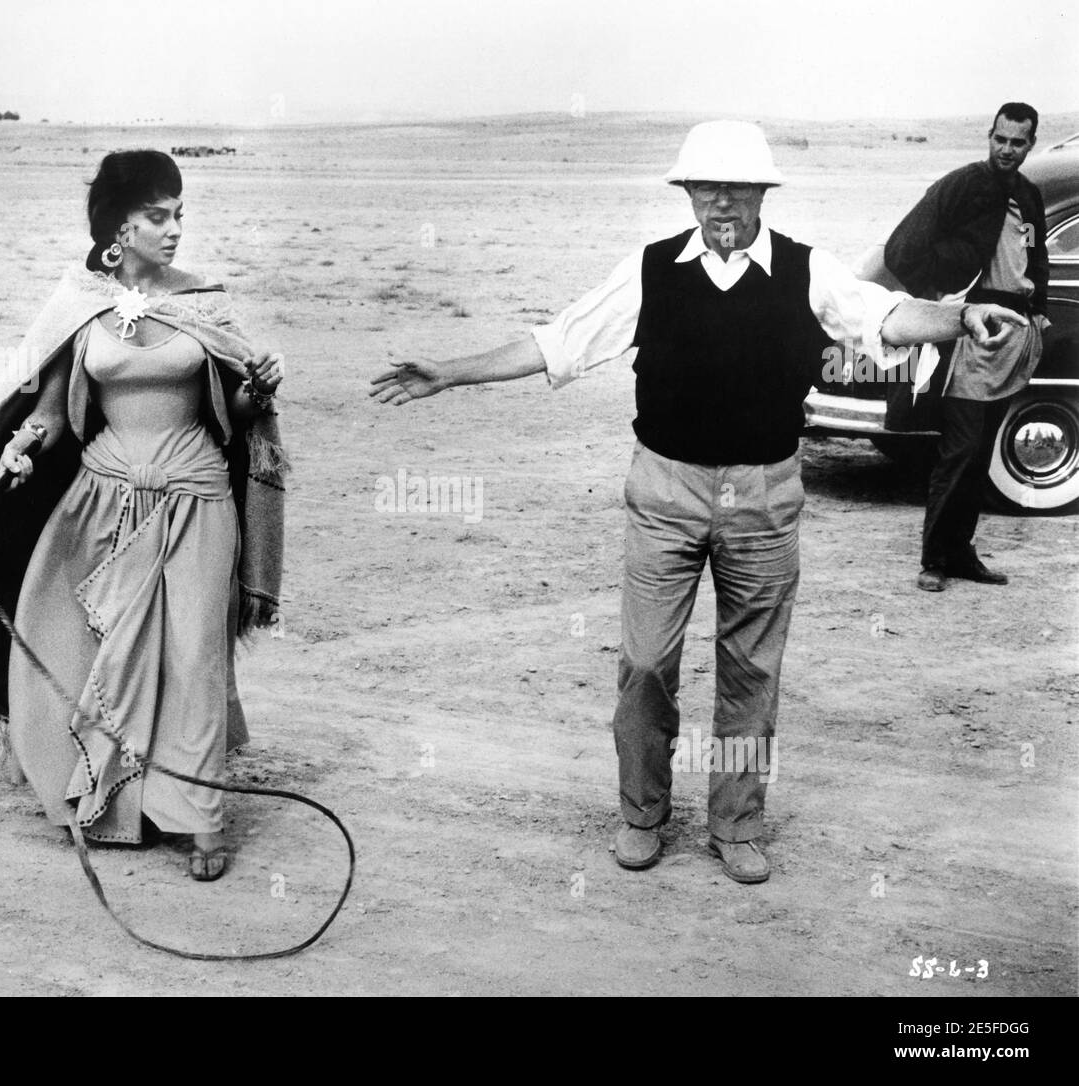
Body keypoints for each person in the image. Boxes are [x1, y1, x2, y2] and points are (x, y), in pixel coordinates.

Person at [370, 121, 1024, 884]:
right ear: (686, 193)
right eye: (705, 186)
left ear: (761, 194)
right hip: (665, 492)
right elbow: (561, 343)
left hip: (765, 496)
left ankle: (737, 823)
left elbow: (884, 317)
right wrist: (450, 371)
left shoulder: (805, 271)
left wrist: (958, 318)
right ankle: (641, 813)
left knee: (751, 671)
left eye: (736, 187)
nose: (721, 201)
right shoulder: (651, 271)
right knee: (646, 663)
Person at [0, 150, 287, 883]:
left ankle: (199, 822)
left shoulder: (208, 303)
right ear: (119, 226)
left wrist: (256, 395)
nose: (173, 230)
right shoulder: (81, 304)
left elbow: (233, 418)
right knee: (97, 650)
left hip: (197, 498)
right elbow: (49, 412)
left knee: (194, 655)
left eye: (179, 214)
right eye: (158, 216)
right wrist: (21, 450)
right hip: (102, 500)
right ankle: (113, 806)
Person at [883, 103, 1049, 592]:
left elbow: (1035, 251)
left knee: (981, 455)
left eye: (1017, 142)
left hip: (1015, 331)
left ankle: (962, 554)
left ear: (1030, 144)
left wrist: (1038, 307)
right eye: (1000, 139)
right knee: (959, 450)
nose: (1006, 149)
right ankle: (934, 559)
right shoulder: (961, 185)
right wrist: (936, 300)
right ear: (990, 135)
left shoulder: (1029, 195)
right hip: (972, 329)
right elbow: (903, 248)